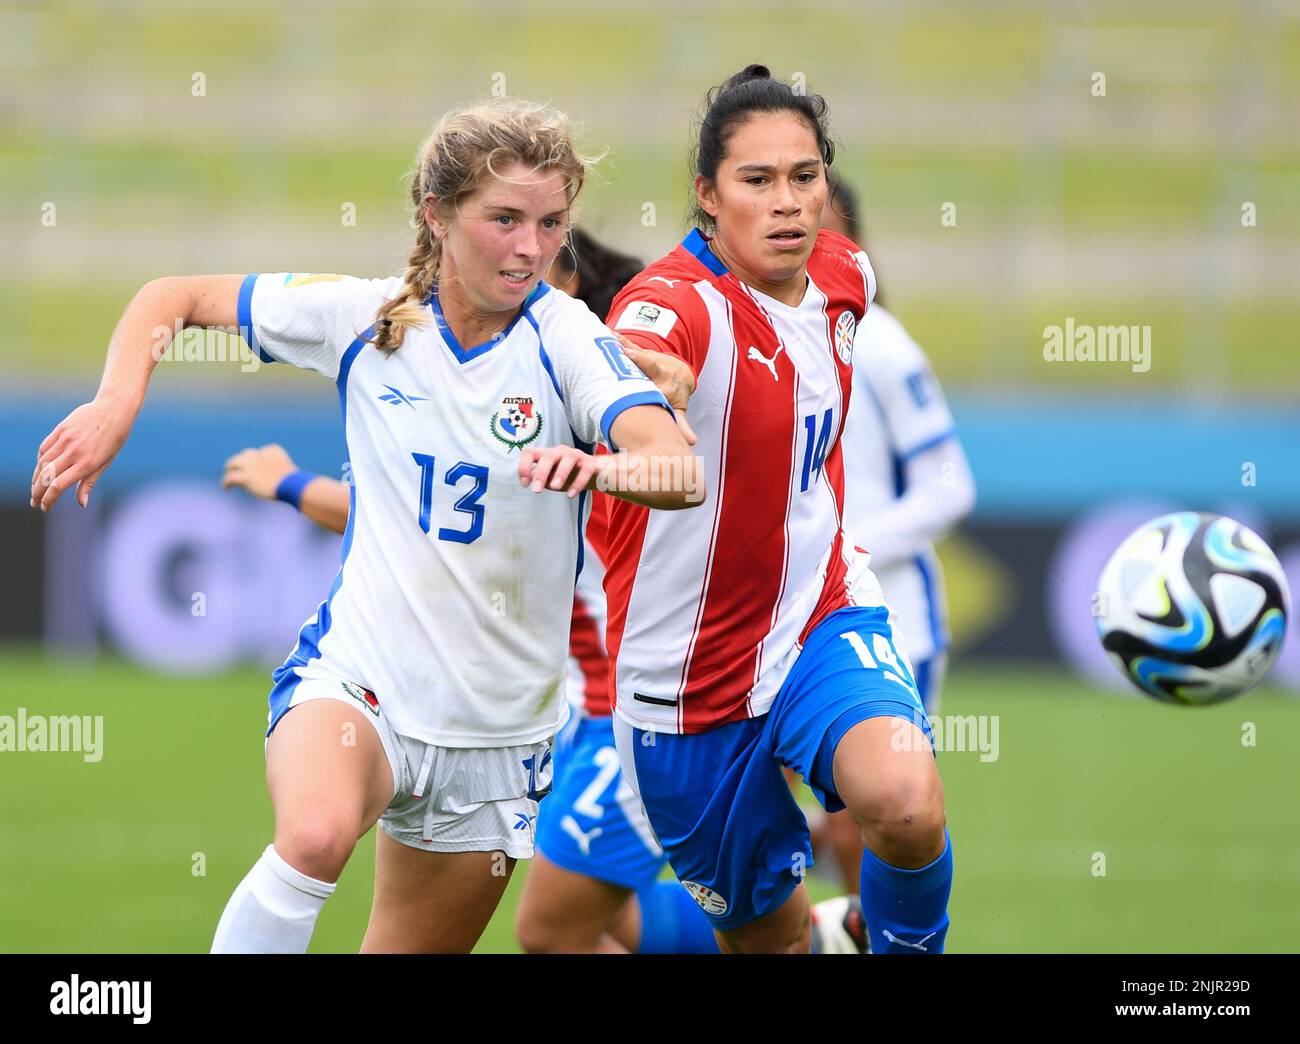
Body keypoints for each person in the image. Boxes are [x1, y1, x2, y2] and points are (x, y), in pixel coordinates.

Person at [30, 97, 700, 954]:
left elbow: (678, 469)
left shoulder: (566, 337)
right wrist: (116, 402)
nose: (531, 247)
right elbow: (175, 296)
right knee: (313, 836)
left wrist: (606, 467)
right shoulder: (364, 320)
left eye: (550, 222)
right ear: (437, 213)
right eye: (503, 219)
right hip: (363, 680)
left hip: (496, 738)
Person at [224, 229, 721, 954]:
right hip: (568, 709)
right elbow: (430, 514)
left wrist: (291, 485)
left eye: (543, 246)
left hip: (624, 711)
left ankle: (807, 931)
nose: (517, 268)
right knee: (583, 919)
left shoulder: (581, 400)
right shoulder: (512, 374)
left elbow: (672, 472)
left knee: (556, 927)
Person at [601, 65, 953, 954]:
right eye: (756, 181)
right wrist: (643, 383)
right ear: (707, 197)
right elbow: (632, 347)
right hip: (683, 682)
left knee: (904, 806)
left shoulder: (844, 276)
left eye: (805, 176)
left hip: (818, 615)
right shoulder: (669, 302)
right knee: (775, 944)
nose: (788, 201)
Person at [807, 176, 977, 894]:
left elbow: (951, 485)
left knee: (866, 812)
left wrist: (850, 546)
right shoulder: (751, 334)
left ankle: (870, 932)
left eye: (820, 228)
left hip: (890, 618)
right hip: (790, 615)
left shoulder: (877, 340)